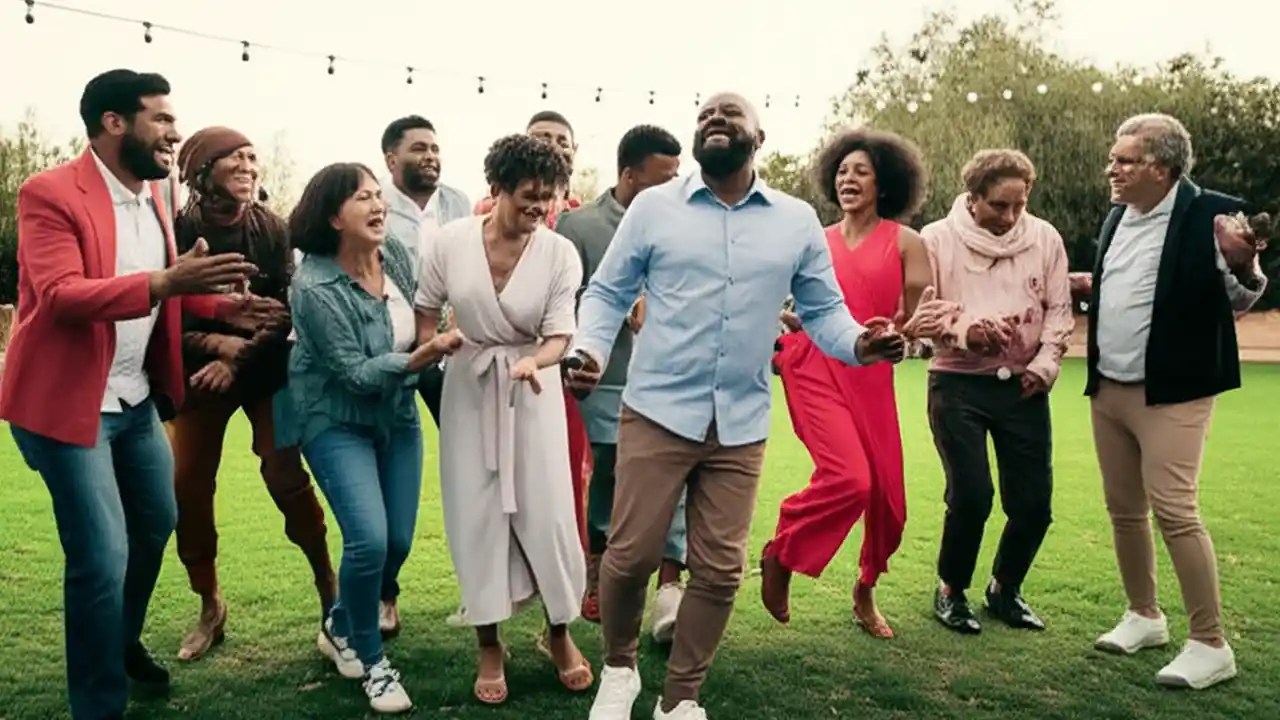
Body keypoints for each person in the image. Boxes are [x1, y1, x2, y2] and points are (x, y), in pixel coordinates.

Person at [570, 91, 906, 720]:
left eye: (730, 114)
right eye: (704, 115)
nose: (715, 120)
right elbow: (609, 291)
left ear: (760, 137)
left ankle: (681, 698)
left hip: (740, 422)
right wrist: (588, 349)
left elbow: (823, 313)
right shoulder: (654, 209)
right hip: (657, 411)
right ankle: (619, 670)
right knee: (631, 555)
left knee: (721, 572)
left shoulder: (795, 220)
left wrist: (863, 342)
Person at [0, 68, 262, 720]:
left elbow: (160, 288)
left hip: (134, 399)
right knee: (100, 554)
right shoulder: (49, 193)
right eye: (161, 120)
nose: (175, 132)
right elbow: (61, 295)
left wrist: (222, 306)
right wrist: (171, 281)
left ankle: (117, 641)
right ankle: (99, 704)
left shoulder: (153, 193)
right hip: (68, 406)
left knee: (155, 523)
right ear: (114, 123)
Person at [1083, 114, 1267, 689]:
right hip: (1108, 388)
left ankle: (1211, 644)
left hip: (1174, 394)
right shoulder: (1118, 215)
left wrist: (1242, 262)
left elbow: (1240, 297)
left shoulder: (1211, 214)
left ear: (1161, 168)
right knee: (1124, 510)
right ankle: (1144, 615)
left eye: (1126, 161)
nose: (1112, 169)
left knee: (1176, 513)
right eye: (1114, 159)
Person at [414, 134, 591, 706]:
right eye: (529, 196)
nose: (540, 208)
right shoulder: (449, 242)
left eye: (549, 197)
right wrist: (433, 343)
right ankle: (488, 641)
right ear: (497, 190)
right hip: (468, 389)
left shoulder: (559, 253)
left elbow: (561, 335)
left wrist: (533, 362)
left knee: (549, 513)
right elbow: (425, 307)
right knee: (478, 512)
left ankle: (559, 631)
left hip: (533, 391)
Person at [281, 162, 460, 713]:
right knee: (368, 539)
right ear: (334, 216)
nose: (378, 206)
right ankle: (372, 661)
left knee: (398, 542)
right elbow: (355, 372)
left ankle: (339, 622)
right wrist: (420, 357)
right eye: (364, 198)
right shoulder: (313, 286)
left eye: (379, 197)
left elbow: (426, 310)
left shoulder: (397, 257)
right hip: (334, 419)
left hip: (396, 415)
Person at [167, 126, 337, 661]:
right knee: (189, 484)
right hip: (199, 376)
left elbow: (287, 311)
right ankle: (210, 606)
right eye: (232, 158)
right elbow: (160, 317)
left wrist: (235, 356)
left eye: (251, 157)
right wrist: (213, 345)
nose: (247, 165)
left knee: (284, 472)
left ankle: (329, 590)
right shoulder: (172, 232)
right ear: (200, 171)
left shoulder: (274, 229)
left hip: (264, 369)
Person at [760, 128, 932, 637]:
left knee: (888, 504)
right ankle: (782, 554)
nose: (848, 179)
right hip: (814, 367)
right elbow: (781, 297)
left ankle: (865, 589)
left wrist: (903, 338)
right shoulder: (815, 239)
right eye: (841, 171)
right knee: (849, 480)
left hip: (871, 373)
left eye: (861, 171)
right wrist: (784, 324)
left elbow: (918, 322)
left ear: (886, 183)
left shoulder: (907, 242)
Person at [906, 149, 1073, 634]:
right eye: (999, 205)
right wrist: (966, 331)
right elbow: (922, 318)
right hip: (958, 384)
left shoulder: (1045, 238)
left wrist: (1045, 365)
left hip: (1024, 387)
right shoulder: (935, 239)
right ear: (973, 197)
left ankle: (1005, 589)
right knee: (973, 495)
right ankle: (951, 591)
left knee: (1034, 505)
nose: (1011, 216)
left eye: (1019, 204)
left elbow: (1060, 310)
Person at [556, 124, 688, 636]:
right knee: (607, 476)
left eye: (678, 177)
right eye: (662, 179)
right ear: (629, 175)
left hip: (671, 381)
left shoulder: (686, 223)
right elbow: (562, 304)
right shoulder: (579, 226)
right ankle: (596, 574)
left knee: (676, 480)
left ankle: (671, 593)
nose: (674, 189)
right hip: (603, 381)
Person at [377, 114, 471, 635]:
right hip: (392, 356)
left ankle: (476, 588)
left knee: (468, 467)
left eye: (436, 147)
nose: (431, 155)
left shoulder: (460, 204)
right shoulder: (370, 203)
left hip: (449, 355)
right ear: (392, 158)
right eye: (418, 148)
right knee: (392, 476)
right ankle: (384, 593)